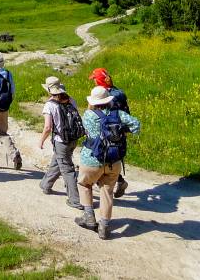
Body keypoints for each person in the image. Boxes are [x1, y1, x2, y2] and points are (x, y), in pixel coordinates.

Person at [75, 86, 141, 239]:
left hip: (92, 159)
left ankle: (89, 217)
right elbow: (136, 125)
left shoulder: (88, 115)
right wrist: (120, 131)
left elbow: (85, 131)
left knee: (84, 184)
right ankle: (104, 226)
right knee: (107, 191)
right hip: (114, 160)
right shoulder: (118, 114)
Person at [38, 76, 82, 209]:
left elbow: (48, 127)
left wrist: (41, 141)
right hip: (73, 139)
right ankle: (46, 184)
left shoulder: (49, 105)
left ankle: (75, 200)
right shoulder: (71, 100)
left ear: (49, 90)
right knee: (57, 162)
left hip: (61, 141)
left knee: (67, 170)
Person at [89, 67, 130, 198]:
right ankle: (118, 182)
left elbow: (102, 114)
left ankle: (107, 190)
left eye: (94, 79)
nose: (93, 81)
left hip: (107, 131)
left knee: (102, 157)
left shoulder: (105, 96)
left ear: (99, 81)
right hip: (119, 130)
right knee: (110, 158)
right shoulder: (118, 92)